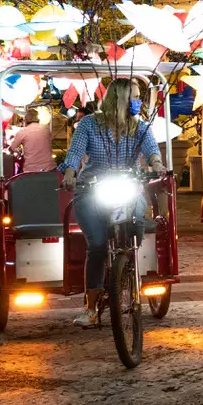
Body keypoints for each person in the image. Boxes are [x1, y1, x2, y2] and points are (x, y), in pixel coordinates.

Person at [59, 79, 164, 328]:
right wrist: (70, 172)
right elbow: (75, 152)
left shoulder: (140, 127)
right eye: (134, 97)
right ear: (120, 100)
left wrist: (157, 163)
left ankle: (128, 273)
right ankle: (91, 308)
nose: (138, 102)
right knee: (96, 245)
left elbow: (152, 149)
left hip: (128, 188)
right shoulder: (89, 124)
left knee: (138, 224)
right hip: (91, 189)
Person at [9, 108, 54, 173]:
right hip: (49, 168)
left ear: (26, 120)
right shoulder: (46, 129)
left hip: (31, 169)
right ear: (38, 118)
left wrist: (17, 151)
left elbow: (12, 148)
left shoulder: (23, 132)